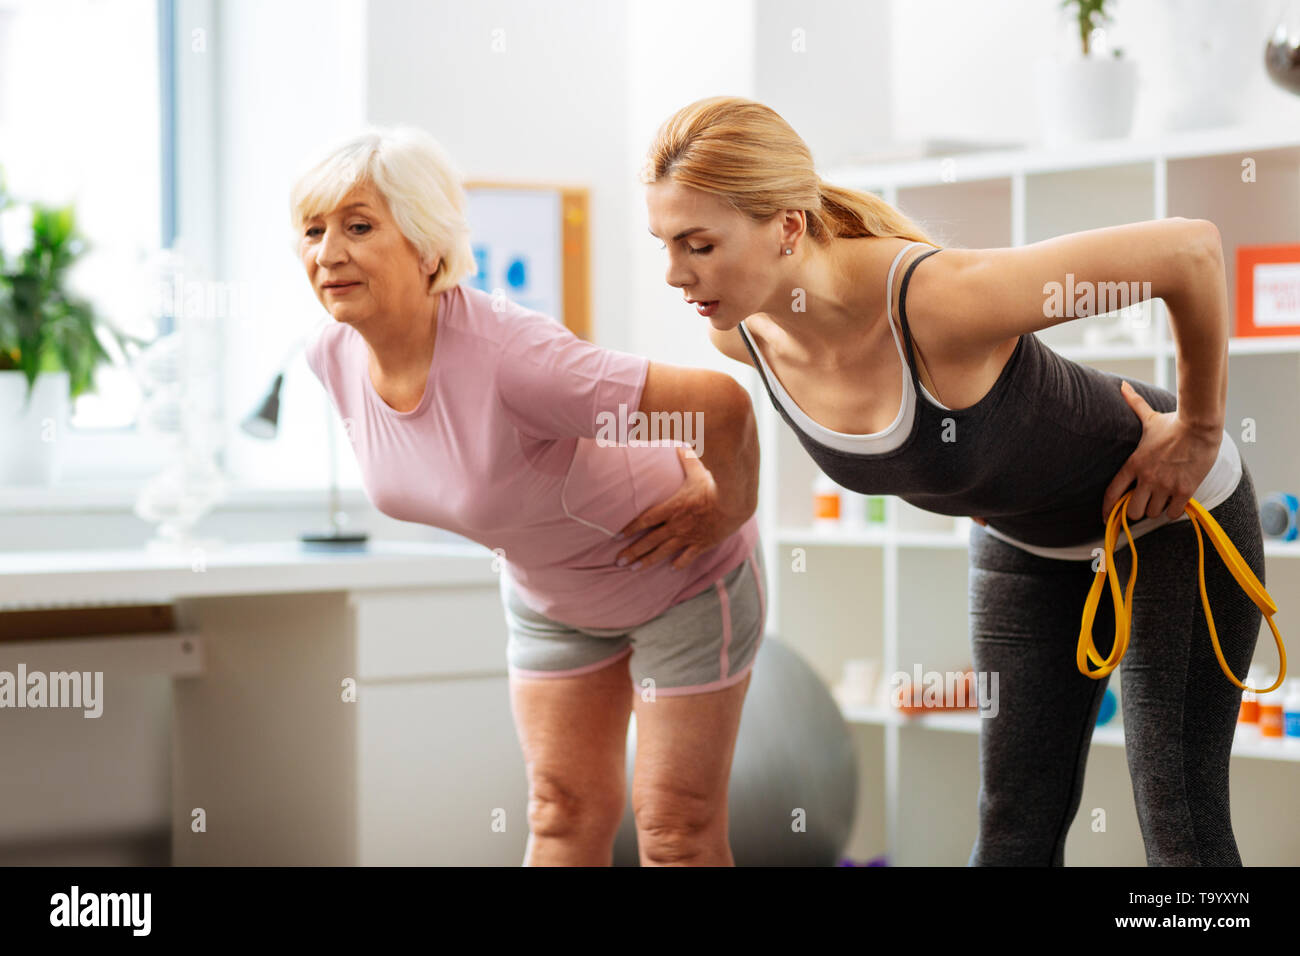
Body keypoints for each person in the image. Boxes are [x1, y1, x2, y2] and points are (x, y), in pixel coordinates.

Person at [641, 95, 1264, 866]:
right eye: (663, 244)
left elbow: (1191, 250)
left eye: (697, 244)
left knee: (1179, 827)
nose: (674, 273)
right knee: (1011, 828)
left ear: (788, 228)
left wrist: (1199, 431)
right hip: (1023, 539)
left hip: (1167, 510)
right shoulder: (741, 334)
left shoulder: (938, 301)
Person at [290, 126, 766, 866]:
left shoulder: (517, 364)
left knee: (675, 830)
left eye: (358, 227)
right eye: (314, 230)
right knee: (560, 814)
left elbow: (720, 407)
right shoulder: (333, 355)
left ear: (426, 246)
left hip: (682, 581)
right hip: (551, 596)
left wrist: (724, 508)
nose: (328, 253)